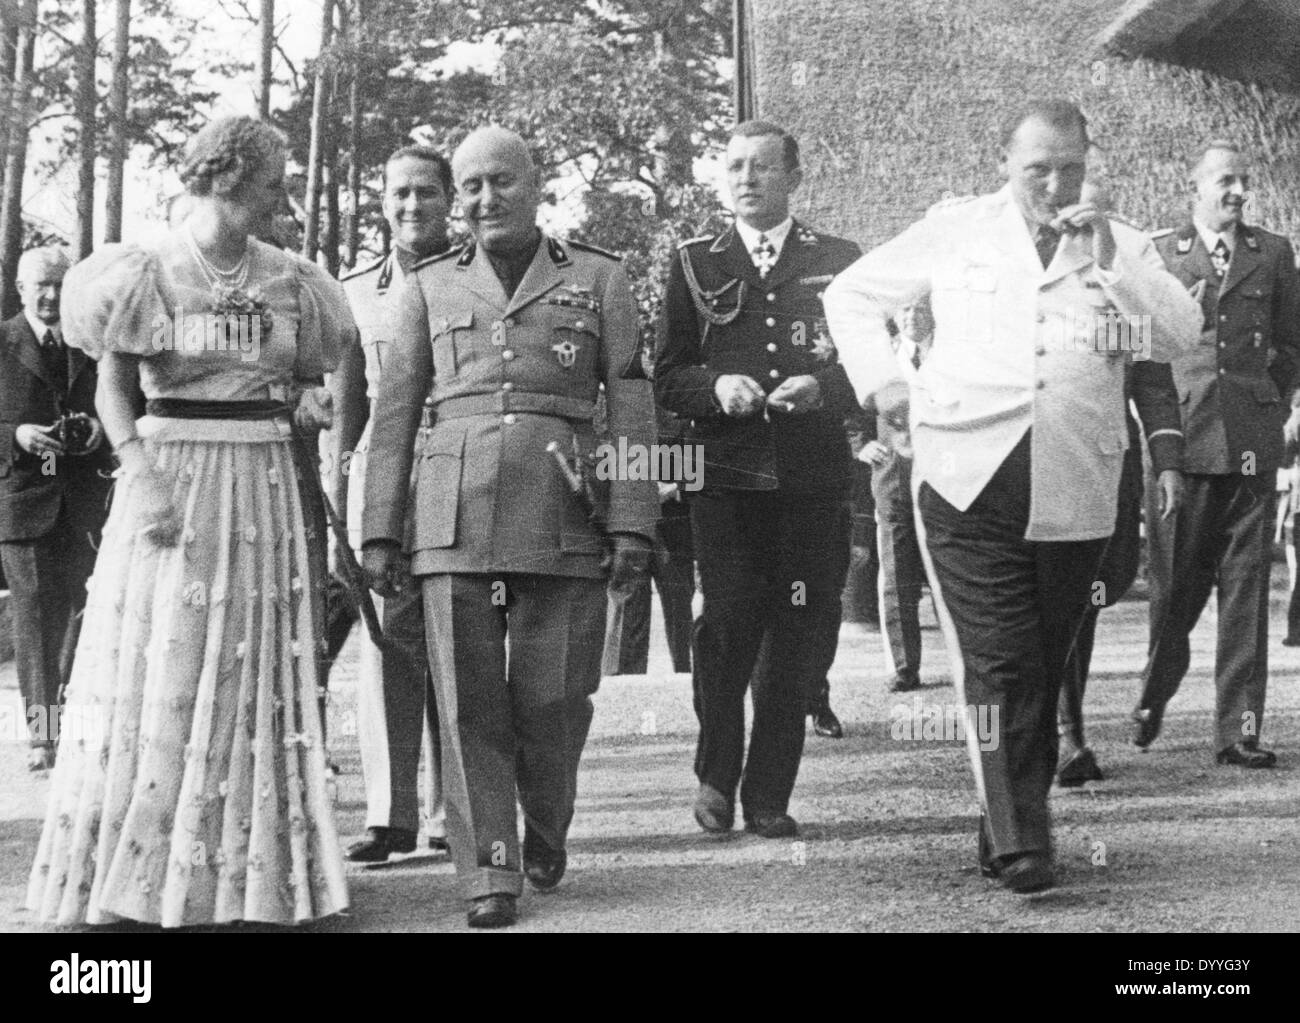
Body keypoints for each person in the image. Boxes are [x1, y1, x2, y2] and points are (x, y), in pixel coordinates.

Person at [825, 99, 1200, 893]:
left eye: (1070, 167)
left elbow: (1178, 336)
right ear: (1006, 163)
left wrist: (1110, 262)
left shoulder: (1124, 244)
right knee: (998, 659)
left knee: (1041, 658)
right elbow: (851, 297)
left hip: (1075, 480)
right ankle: (1026, 838)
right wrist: (884, 382)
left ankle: (1002, 815)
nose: (1056, 184)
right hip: (966, 474)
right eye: (1039, 169)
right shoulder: (957, 229)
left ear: (1090, 163)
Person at [26, 116, 352, 927]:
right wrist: (143, 478)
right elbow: (112, 390)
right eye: (274, 178)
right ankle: (139, 881)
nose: (285, 194)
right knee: (164, 666)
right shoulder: (146, 268)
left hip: (265, 479)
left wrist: (312, 404)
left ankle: (248, 881)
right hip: (170, 476)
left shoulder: (294, 279)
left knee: (252, 669)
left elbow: (298, 382)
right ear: (231, 174)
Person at [362, 126, 656, 929]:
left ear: (537, 183)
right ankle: (489, 869)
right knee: (465, 702)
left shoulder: (599, 278)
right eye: (470, 187)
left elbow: (629, 401)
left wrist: (633, 519)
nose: (484, 200)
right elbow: (391, 417)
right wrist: (380, 531)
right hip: (450, 511)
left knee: (555, 696)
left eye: (502, 182)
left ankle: (546, 820)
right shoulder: (425, 285)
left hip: (566, 507)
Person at [654, 120, 862, 839]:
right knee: (727, 621)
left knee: (799, 627)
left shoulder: (839, 261)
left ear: (794, 178)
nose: (747, 179)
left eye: (764, 167)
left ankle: (769, 791)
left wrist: (821, 385)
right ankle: (716, 771)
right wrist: (717, 388)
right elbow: (668, 374)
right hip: (726, 477)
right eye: (736, 167)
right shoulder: (693, 263)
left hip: (810, 479)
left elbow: (866, 369)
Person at [1134, 141, 1300, 767]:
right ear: (1195, 187)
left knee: (1247, 588)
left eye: (1243, 181)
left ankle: (1240, 730)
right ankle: (1153, 695)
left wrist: (1270, 404)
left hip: (1252, 444)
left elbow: (1292, 342)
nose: (1236, 192)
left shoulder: (1273, 252)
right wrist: (1165, 437)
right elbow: (1149, 354)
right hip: (1183, 440)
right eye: (1224, 181)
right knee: (1174, 588)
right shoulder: (1160, 254)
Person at [331, 145, 453, 861]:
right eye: (400, 194)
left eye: (427, 193)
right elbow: (349, 409)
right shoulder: (354, 291)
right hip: (384, 479)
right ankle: (390, 813)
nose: (413, 207)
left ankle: (453, 807)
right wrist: (345, 514)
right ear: (383, 201)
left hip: (461, 469)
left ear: (450, 201)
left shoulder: (478, 275)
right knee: (387, 643)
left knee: (461, 637)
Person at [1055, 183, 1186, 787]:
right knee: (1033, 600)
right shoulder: (1009, 246)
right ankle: (1059, 735)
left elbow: (1152, 375)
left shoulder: (1130, 252)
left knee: (1089, 594)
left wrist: (1168, 460)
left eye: (1087, 179)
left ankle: (1065, 726)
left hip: (1107, 460)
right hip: (1027, 453)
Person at [0, 247, 114, 772]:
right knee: (34, 613)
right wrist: (16, 435)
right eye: (40, 285)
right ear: (21, 289)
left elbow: (121, 404)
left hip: (82, 499)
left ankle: (68, 721)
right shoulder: (3, 342)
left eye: (59, 285)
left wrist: (98, 430)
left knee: (78, 613)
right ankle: (43, 734)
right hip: (24, 500)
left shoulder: (88, 342)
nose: (49, 296)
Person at [860, 299, 934, 694]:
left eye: (920, 309)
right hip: (893, 481)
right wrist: (860, 444)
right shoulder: (880, 362)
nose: (912, 317)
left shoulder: (953, 354)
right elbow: (851, 410)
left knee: (951, 576)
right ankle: (905, 667)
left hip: (949, 480)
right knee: (896, 577)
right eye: (905, 310)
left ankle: (970, 663)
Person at [600, 395, 695, 676]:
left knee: (679, 606)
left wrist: (673, 487)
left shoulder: (680, 407)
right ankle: (626, 679)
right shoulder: (614, 408)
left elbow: (695, 463)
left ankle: (687, 673)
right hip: (631, 525)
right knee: (630, 603)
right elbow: (604, 459)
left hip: (675, 525)